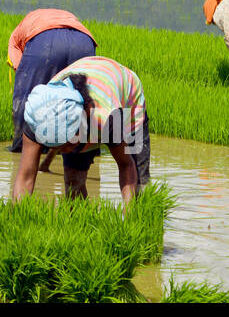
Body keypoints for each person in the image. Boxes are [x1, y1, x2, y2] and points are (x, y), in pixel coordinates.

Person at [14, 55, 150, 205]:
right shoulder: (38, 119)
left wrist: (128, 220)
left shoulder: (108, 119)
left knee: (139, 183)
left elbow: (126, 165)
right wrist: (17, 216)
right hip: (76, 93)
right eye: (58, 146)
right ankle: (83, 223)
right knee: (73, 181)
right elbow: (25, 177)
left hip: (126, 96)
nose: (64, 151)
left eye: (67, 142)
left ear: (82, 121)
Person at [6, 9, 96, 170]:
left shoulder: (15, 38)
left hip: (45, 41)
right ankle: (87, 152)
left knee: (27, 97)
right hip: (84, 41)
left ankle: (21, 147)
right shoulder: (63, 17)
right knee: (82, 99)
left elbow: (21, 72)